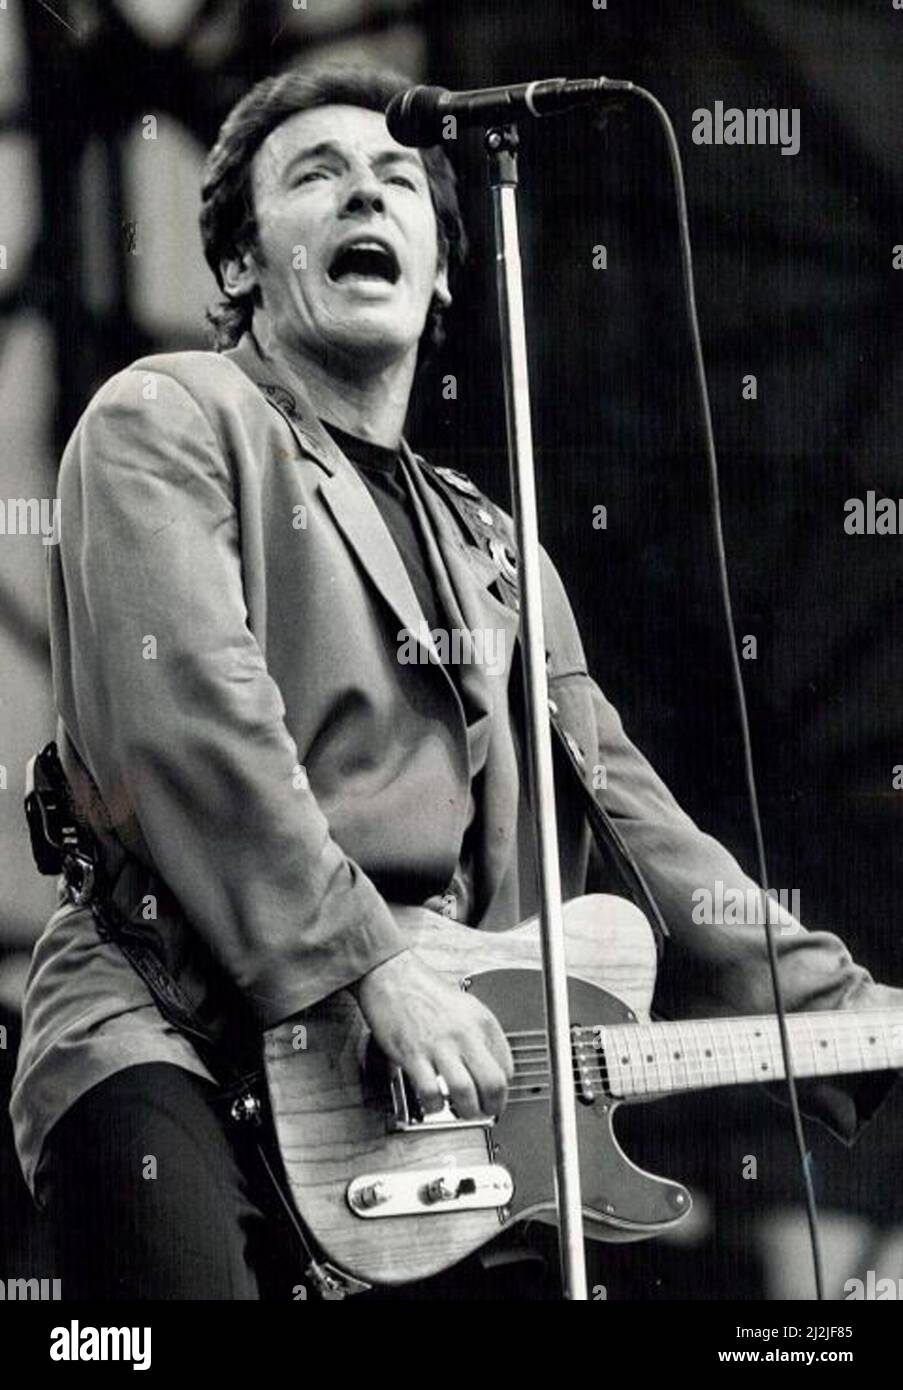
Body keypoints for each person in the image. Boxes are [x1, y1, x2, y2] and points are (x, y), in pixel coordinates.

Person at [10, 62, 902, 1301]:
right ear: (240, 268)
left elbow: (643, 824)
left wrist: (847, 1003)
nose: (361, 196)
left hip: (423, 1096)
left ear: (440, 272)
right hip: (175, 1033)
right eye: (315, 178)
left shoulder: (498, 545)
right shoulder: (167, 415)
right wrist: (369, 967)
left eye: (394, 182)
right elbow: (194, 716)